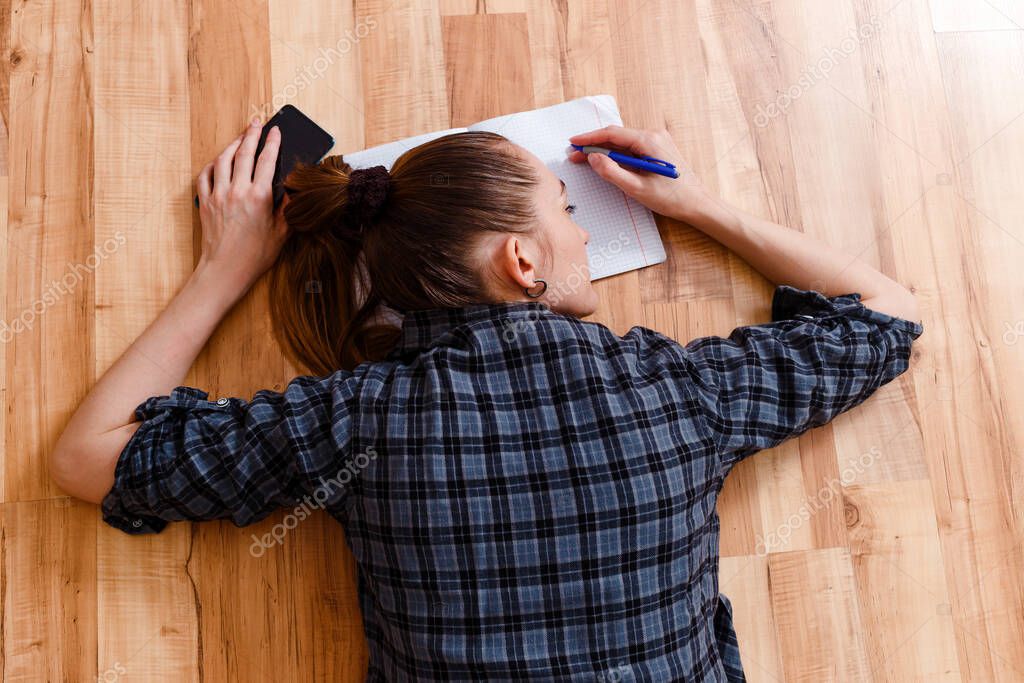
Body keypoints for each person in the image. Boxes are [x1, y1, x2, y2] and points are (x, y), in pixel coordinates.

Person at [50, 117, 923, 682]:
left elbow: (87, 455)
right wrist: (696, 205)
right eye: (566, 208)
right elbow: (890, 313)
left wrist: (225, 269)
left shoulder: (355, 419)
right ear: (523, 260)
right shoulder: (681, 393)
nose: (582, 229)